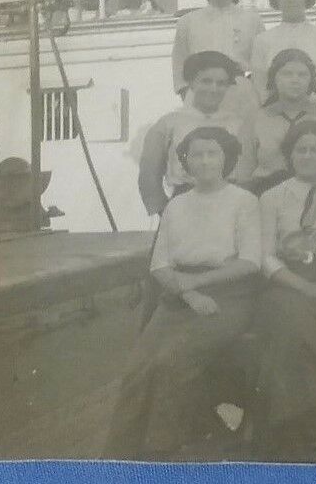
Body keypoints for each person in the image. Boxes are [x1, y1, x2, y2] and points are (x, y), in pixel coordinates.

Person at [104, 127, 261, 460]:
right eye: (196, 155)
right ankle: (125, 458)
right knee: (139, 368)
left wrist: (198, 286)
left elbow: (250, 262)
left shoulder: (243, 201)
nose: (204, 161)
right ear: (186, 162)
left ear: (226, 159)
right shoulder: (176, 205)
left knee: (172, 360)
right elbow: (160, 264)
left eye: (212, 153)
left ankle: (163, 450)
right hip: (179, 296)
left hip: (228, 297)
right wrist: (189, 294)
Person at [252, 120, 316, 456]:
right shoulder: (271, 197)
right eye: (301, 149)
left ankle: (302, 418)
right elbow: (265, 257)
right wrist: (304, 288)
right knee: (292, 323)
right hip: (285, 279)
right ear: (290, 155)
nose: (309, 156)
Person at [138, 51, 247, 216]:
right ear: (191, 83)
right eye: (206, 81)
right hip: (183, 207)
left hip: (231, 207)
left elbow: (247, 172)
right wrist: (165, 212)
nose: (213, 89)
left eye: (221, 83)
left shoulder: (239, 124)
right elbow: (149, 175)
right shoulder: (169, 124)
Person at [171, 0, 265, 117]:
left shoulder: (252, 20)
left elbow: (261, 65)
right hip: (200, 97)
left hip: (241, 95)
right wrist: (189, 94)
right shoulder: (187, 22)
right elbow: (179, 66)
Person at [238, 49, 316, 195]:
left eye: (302, 75)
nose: (295, 80)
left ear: (311, 81)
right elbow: (243, 172)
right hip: (265, 194)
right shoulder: (257, 120)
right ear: (274, 78)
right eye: (287, 74)